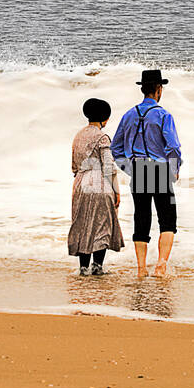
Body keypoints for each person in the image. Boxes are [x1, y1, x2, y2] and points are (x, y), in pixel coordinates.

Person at [111, 69, 183, 277]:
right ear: (159, 89)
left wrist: (129, 167)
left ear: (143, 89)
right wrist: (174, 169)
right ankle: (161, 264)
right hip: (159, 169)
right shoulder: (163, 115)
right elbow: (173, 147)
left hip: (139, 170)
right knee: (167, 220)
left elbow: (116, 147)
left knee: (141, 219)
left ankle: (141, 268)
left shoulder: (129, 114)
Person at [68, 98, 124, 274]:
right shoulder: (102, 137)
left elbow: (74, 166)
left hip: (80, 183)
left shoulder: (78, 135)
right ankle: (97, 267)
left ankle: (83, 268)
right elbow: (109, 167)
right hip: (99, 183)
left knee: (82, 224)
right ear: (105, 118)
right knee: (101, 225)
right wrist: (116, 190)